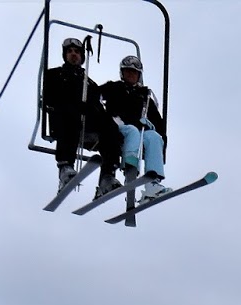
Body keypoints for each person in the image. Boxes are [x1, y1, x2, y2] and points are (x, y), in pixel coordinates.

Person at [42, 36, 124, 199]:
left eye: (77, 52)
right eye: (70, 51)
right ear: (65, 55)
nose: (74, 54)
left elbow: (97, 106)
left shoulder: (89, 83)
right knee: (71, 114)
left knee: (111, 126)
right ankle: (66, 167)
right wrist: (74, 105)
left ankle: (107, 175)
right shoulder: (54, 75)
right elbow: (50, 98)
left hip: (88, 127)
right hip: (65, 122)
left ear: (82, 56)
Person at [100, 54, 169, 201]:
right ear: (122, 73)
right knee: (132, 131)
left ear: (139, 75)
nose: (131, 74)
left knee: (154, 137)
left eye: (134, 72)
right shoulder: (114, 88)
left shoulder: (144, 97)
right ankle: (130, 170)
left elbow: (159, 123)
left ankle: (153, 183)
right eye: (127, 71)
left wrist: (155, 129)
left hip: (139, 130)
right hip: (120, 127)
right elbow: (95, 96)